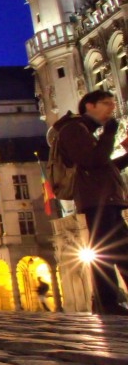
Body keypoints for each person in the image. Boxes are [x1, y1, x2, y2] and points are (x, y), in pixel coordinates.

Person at [53, 90, 128, 315]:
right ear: (89, 105)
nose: (111, 109)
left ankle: (107, 302)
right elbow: (91, 161)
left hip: (105, 198)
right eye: (105, 103)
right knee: (110, 251)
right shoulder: (73, 129)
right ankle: (106, 302)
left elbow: (104, 165)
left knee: (117, 251)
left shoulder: (85, 131)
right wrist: (110, 133)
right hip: (97, 199)